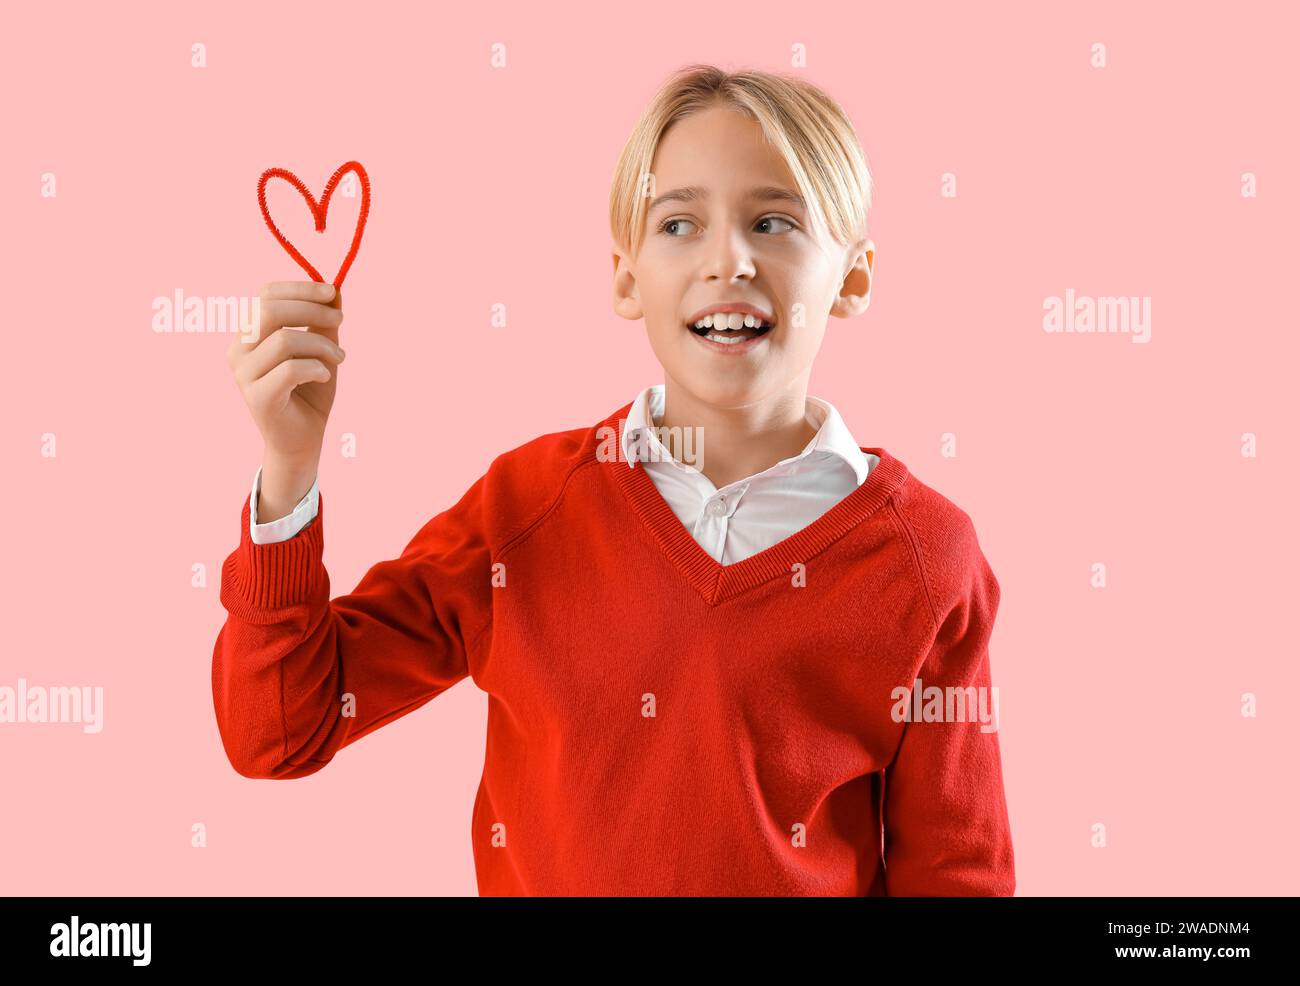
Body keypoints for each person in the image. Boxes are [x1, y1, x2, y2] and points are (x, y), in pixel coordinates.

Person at [214, 63, 1015, 896]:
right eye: (679, 225)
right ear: (627, 276)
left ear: (851, 276)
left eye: (774, 221)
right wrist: (290, 468)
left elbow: (957, 873)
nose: (728, 261)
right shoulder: (525, 509)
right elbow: (278, 733)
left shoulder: (928, 557)